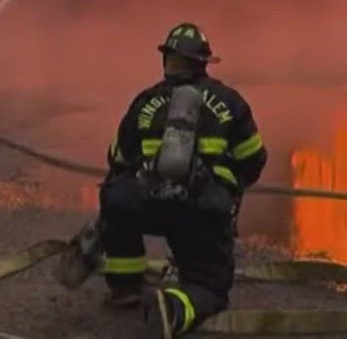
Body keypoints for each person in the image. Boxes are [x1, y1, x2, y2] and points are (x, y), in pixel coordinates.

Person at [95, 22, 267, 337]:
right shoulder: (229, 101)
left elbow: (118, 159)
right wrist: (229, 188)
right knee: (209, 287)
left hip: (149, 205)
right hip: (202, 210)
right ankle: (174, 309)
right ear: (203, 62)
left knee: (116, 194)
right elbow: (254, 160)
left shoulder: (145, 101)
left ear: (167, 60)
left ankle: (125, 287)